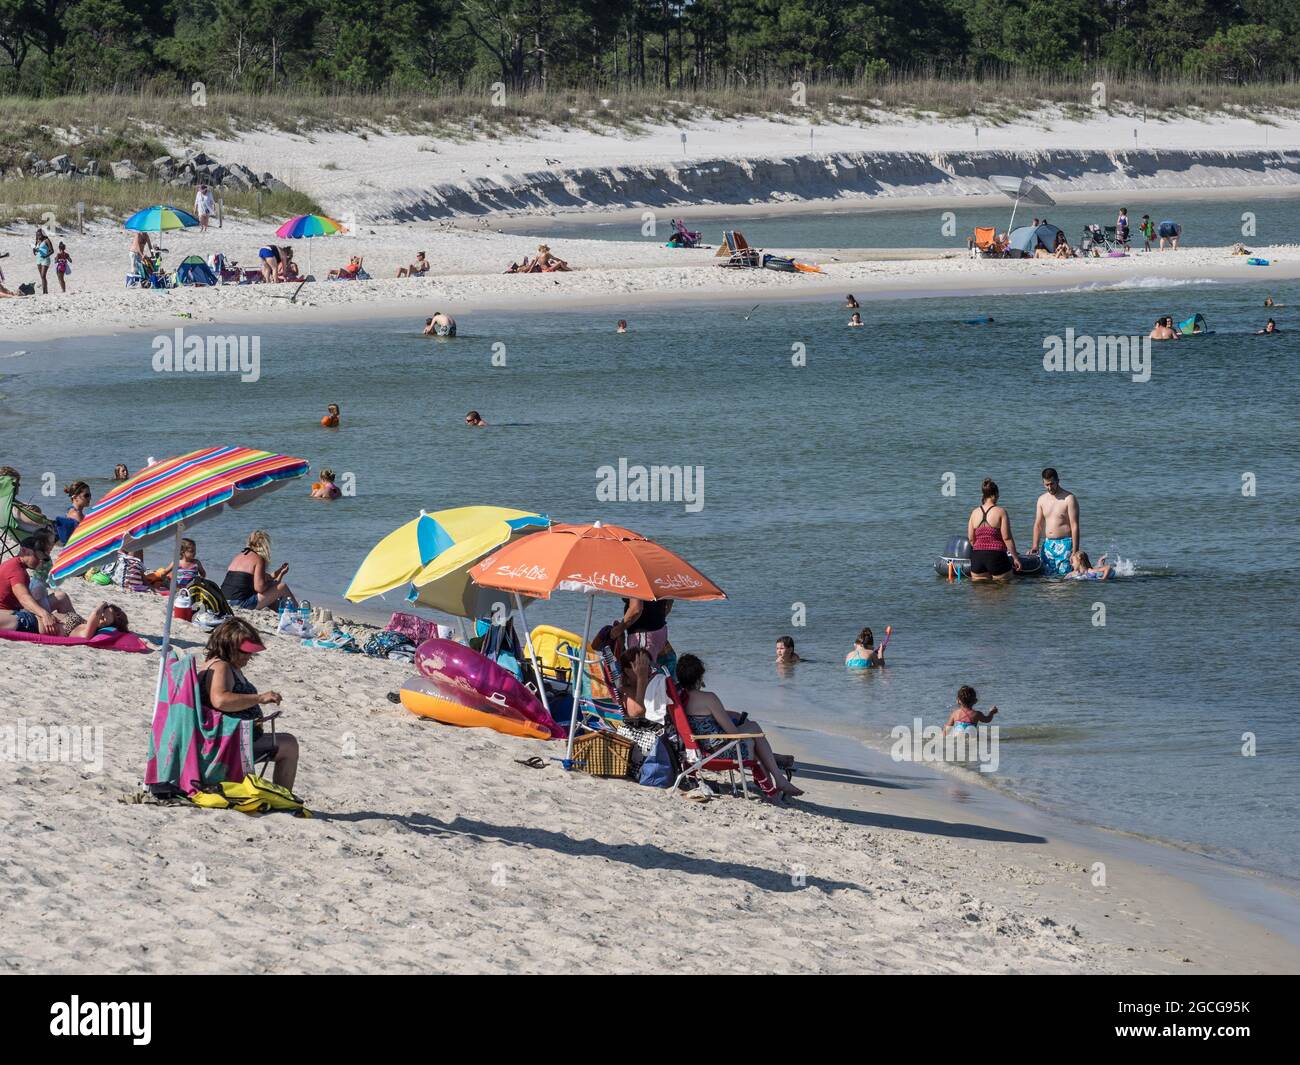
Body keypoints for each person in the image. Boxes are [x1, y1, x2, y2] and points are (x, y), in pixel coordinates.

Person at [675, 654, 802, 799]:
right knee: (753, 729)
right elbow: (732, 732)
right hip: (719, 752)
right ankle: (778, 779)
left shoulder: (680, 698)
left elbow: (703, 720)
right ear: (700, 677)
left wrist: (730, 716)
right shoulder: (708, 698)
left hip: (699, 749)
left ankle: (775, 783)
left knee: (752, 735)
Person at [198, 617, 300, 789]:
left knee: (287, 740)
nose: (249, 656)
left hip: (232, 737)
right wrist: (260, 698)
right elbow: (220, 700)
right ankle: (285, 798)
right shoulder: (220, 667)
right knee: (289, 745)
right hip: (229, 744)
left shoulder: (222, 665)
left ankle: (283, 796)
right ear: (228, 646)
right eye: (245, 651)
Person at [219, 530, 295, 610]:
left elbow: (268, 577)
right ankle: (297, 612)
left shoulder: (239, 556)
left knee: (272, 597)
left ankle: (283, 611)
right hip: (238, 603)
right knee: (282, 587)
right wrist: (273, 584)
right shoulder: (258, 559)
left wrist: (280, 571)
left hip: (224, 601)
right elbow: (259, 588)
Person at [965, 478, 1022, 580]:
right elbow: (1007, 538)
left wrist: (981, 548)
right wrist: (1015, 558)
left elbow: (971, 538)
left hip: (978, 557)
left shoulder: (974, 513)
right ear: (994, 494)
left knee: (981, 592)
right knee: (1005, 591)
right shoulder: (1001, 512)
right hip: (996, 556)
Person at [0, 538, 58, 634]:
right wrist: (44, 614)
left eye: (42, 559)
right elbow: (24, 598)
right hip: (7, 614)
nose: (40, 561)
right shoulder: (16, 570)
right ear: (23, 550)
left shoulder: (15, 565)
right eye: (37, 556)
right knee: (60, 599)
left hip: (14, 610)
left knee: (60, 597)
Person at [1031, 467, 1080, 577]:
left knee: (1065, 578)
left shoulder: (1069, 499)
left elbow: (1075, 526)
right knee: (1046, 577)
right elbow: (1038, 525)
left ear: (1058, 481)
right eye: (1046, 485)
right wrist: (1035, 546)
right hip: (1048, 545)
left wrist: (1075, 551)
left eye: (1052, 484)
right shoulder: (1041, 500)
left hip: (1066, 544)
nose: (1049, 487)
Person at [0, 598, 129, 638]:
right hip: (28, 615)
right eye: (103, 613)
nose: (101, 616)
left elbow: (95, 614)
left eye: (104, 619)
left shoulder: (87, 632)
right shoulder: (84, 623)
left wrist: (102, 604)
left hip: (27, 624)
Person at [612, 596, 672, 663]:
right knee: (651, 668)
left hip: (644, 636)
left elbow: (636, 609)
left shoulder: (639, 585)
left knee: (638, 669)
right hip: (660, 631)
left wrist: (618, 630)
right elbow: (668, 604)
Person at [33, 227, 53, 295]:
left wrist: (46, 256)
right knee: (42, 276)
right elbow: (35, 250)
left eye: (40, 235)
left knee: (43, 275)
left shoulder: (47, 240)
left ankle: (45, 291)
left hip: (45, 259)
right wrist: (34, 250)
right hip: (38, 259)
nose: (39, 236)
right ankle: (44, 291)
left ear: (43, 234)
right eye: (38, 235)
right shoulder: (37, 240)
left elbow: (52, 251)